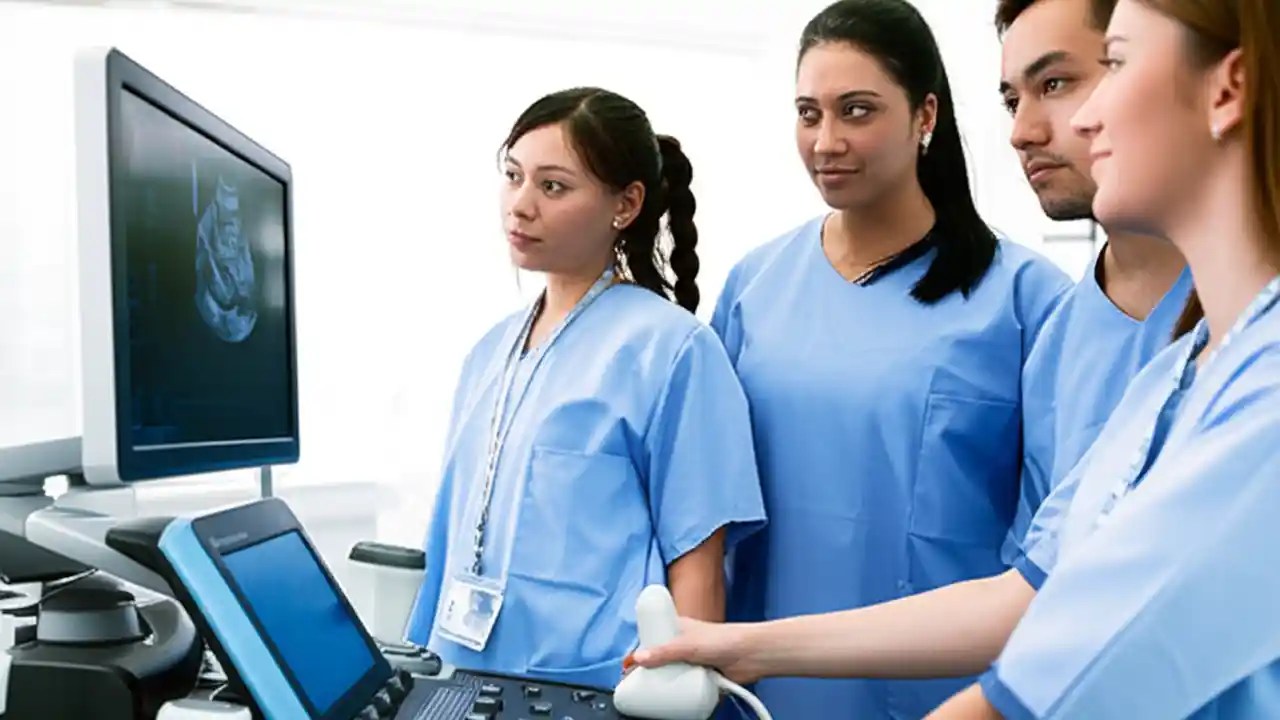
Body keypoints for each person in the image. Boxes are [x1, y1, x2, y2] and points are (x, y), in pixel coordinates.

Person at [635, 0, 1280, 717]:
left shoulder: (1242, 378)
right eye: (1012, 99)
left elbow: (1080, 658)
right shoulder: (1171, 375)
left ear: (1229, 87)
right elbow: (1031, 593)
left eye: (1111, 67)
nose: (1036, 129)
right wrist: (745, 647)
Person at [708, 0, 1070, 716]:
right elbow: (706, 511)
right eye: (809, 114)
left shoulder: (1027, 301)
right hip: (758, 692)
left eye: (857, 111)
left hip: (942, 697)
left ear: (924, 114)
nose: (827, 141)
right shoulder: (754, 287)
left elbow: (1054, 555)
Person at [405, 87, 767, 690]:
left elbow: (698, 564)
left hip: (595, 690)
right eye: (513, 176)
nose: (520, 206)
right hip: (460, 676)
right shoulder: (488, 354)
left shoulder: (673, 350)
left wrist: (688, 695)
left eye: (553, 186)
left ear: (625, 204)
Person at [996, 0, 1191, 564]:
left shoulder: (1244, 310)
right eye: (1012, 102)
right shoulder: (1056, 345)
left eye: (1055, 83)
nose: (1022, 132)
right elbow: (1036, 579)